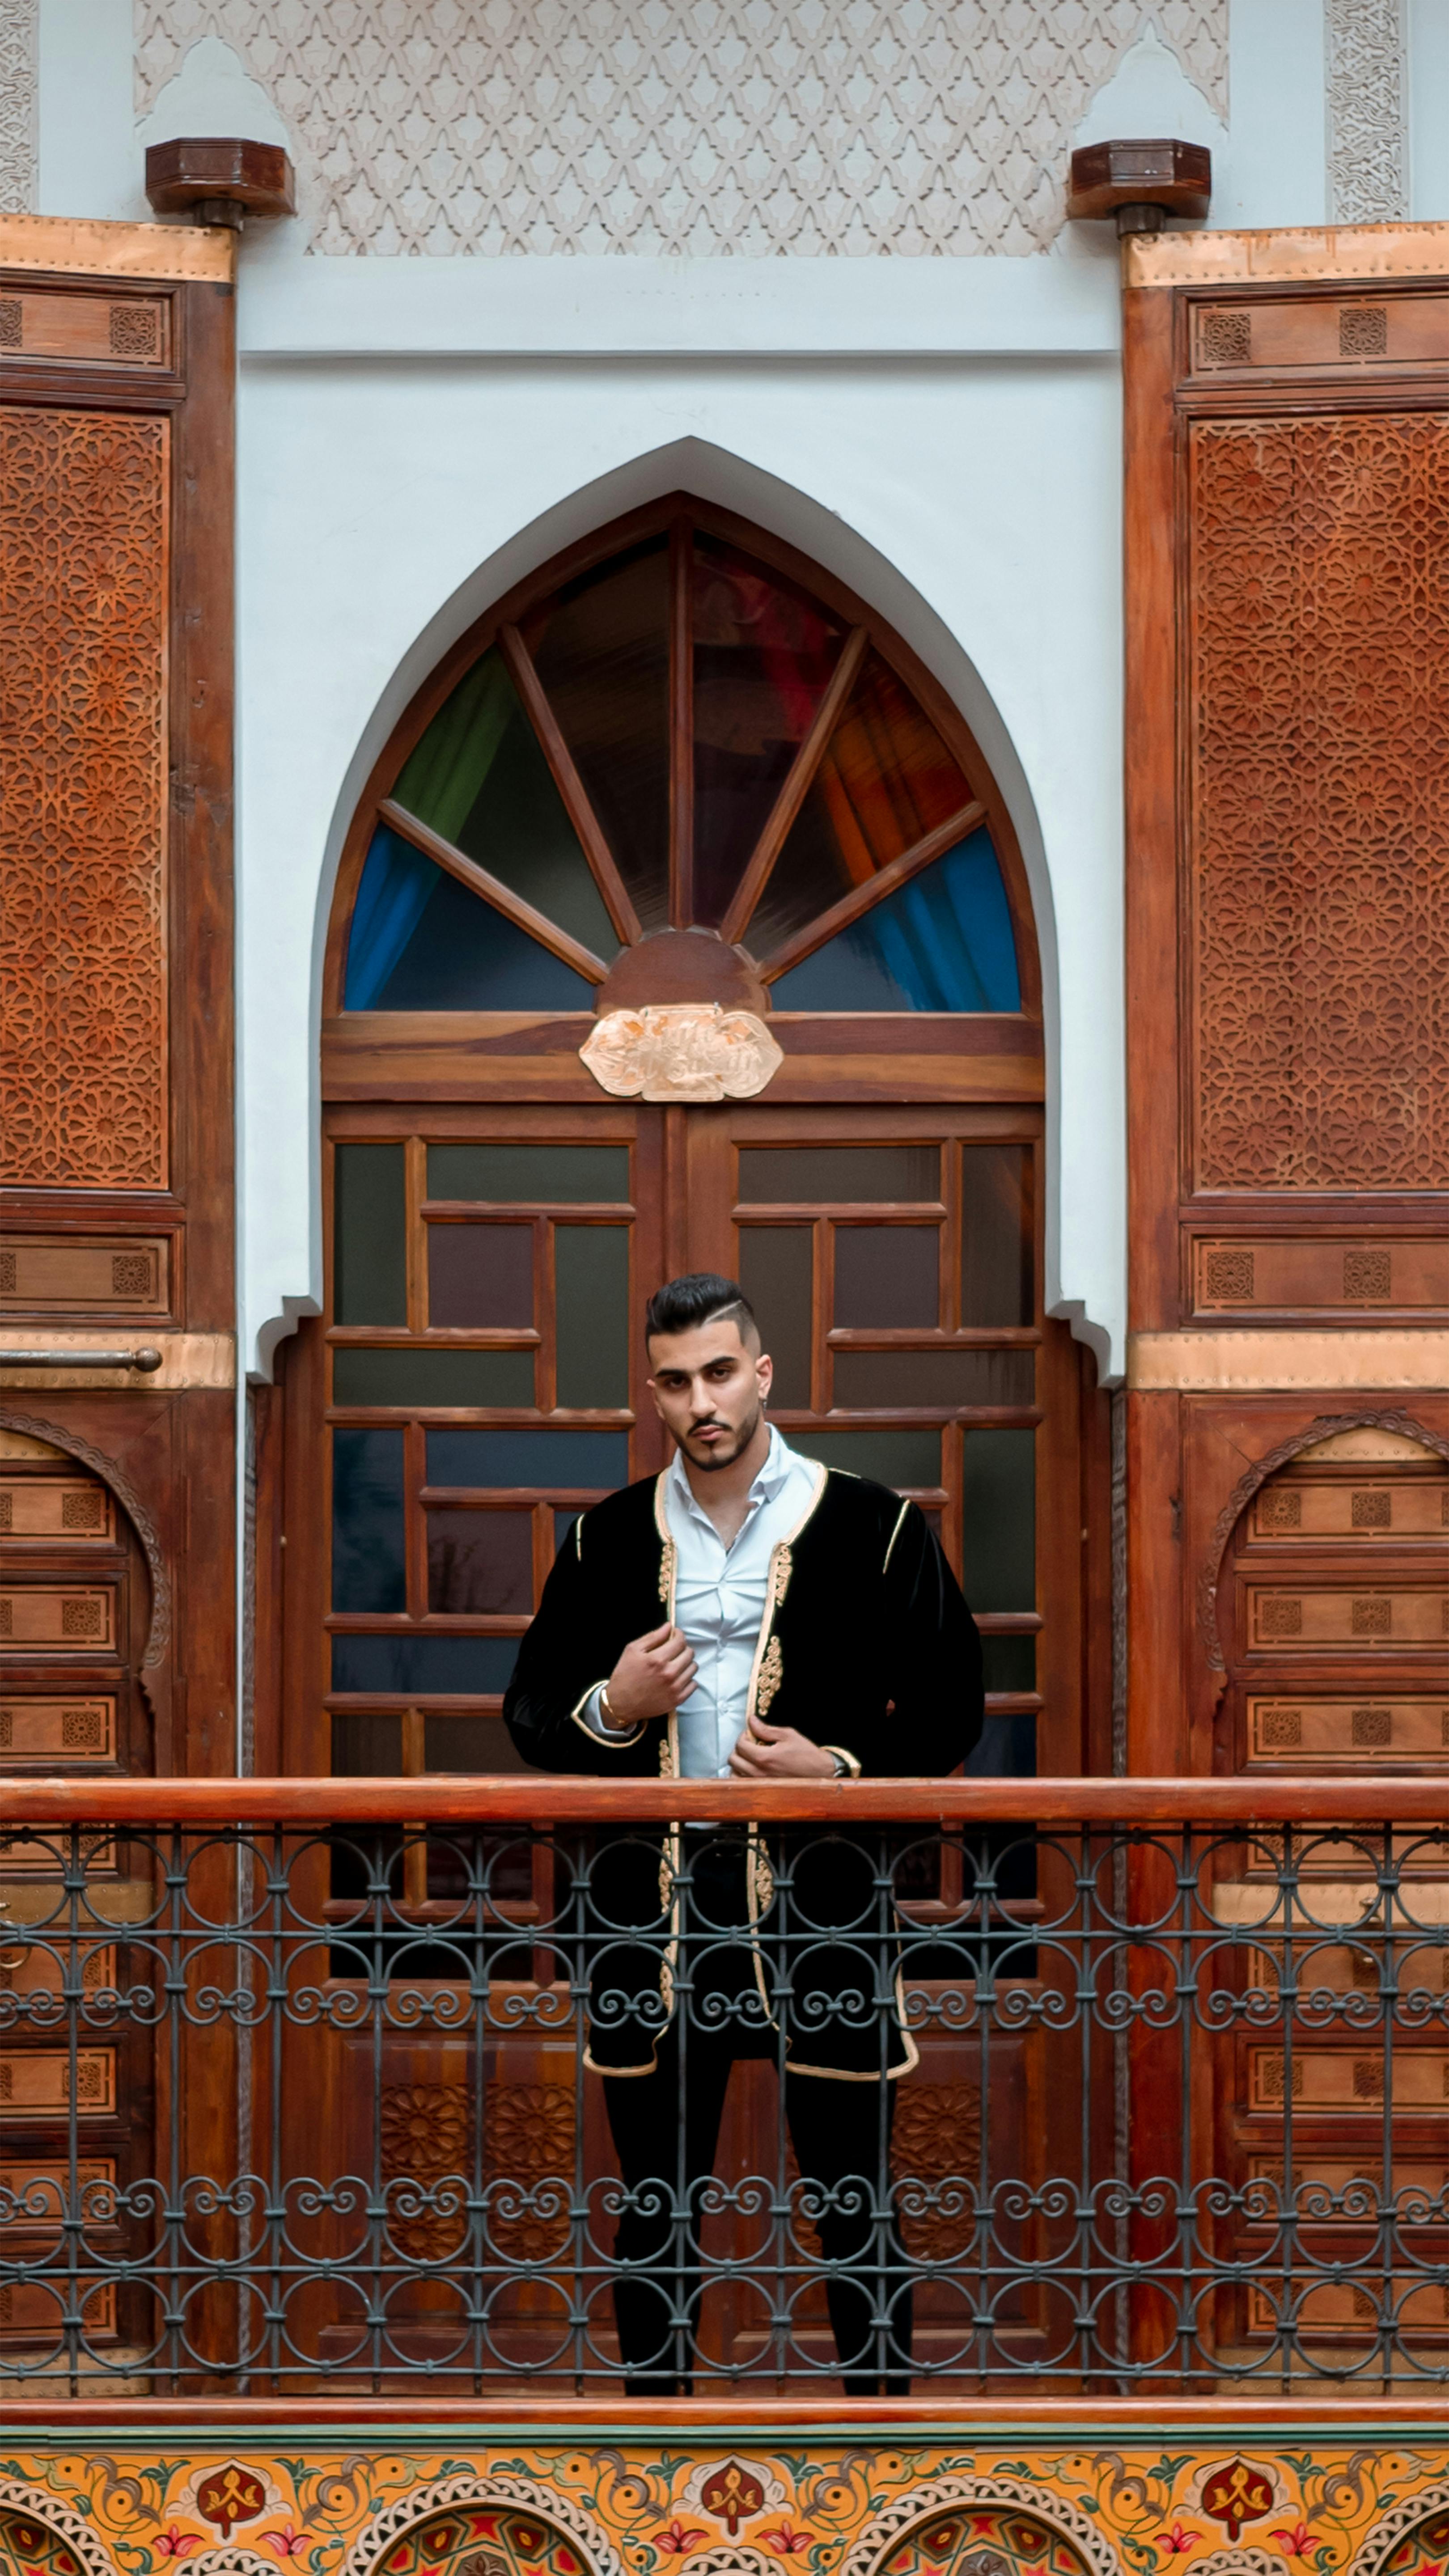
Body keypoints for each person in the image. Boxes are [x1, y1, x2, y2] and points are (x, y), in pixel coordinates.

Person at [503, 1271, 983, 2391]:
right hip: (654, 1916)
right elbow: (531, 1715)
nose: (700, 1402)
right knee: (656, 2205)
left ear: (762, 1375)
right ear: (655, 1394)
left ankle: (882, 2447)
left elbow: (958, 1702)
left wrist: (839, 1770)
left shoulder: (875, 1526)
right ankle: (657, 2446)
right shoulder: (607, 1541)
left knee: (853, 2198)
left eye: (720, 1374)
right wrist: (616, 1706)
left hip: (822, 1903)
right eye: (675, 1383)